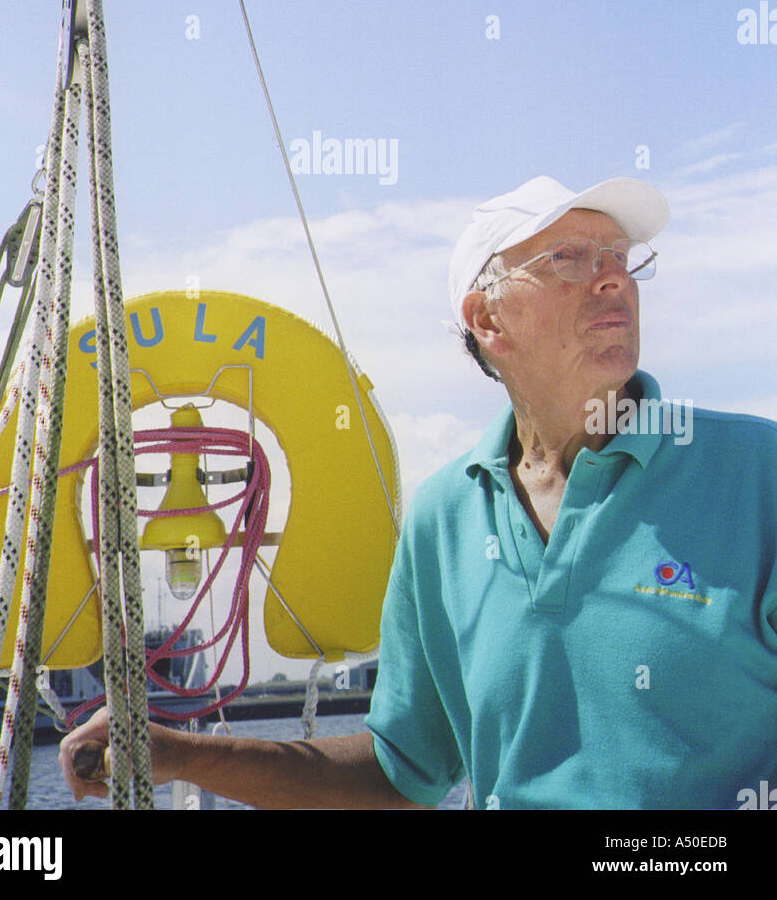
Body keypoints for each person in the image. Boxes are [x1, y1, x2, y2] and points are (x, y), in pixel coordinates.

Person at [60, 174, 777, 810]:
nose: (612, 278)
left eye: (622, 258)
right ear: (488, 318)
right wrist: (179, 753)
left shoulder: (758, 473)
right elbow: (403, 773)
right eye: (569, 260)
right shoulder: (444, 518)